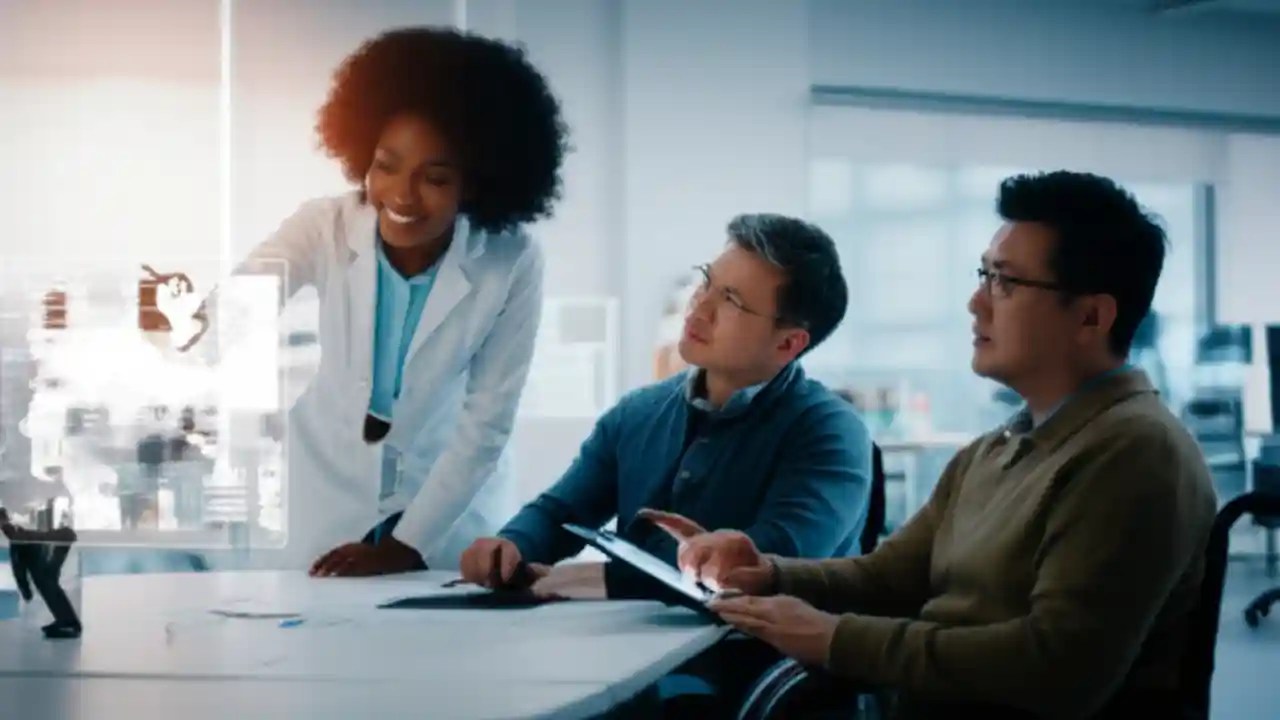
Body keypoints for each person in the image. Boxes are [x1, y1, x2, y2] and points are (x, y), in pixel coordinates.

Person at [653, 171, 1218, 718]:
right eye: (983, 276)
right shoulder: (996, 449)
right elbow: (890, 578)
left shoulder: (1137, 452)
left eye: (1006, 282)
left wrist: (835, 639)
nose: (977, 303)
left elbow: (1056, 670)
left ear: (1091, 316)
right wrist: (771, 573)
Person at [169, 27, 569, 575]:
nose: (402, 195)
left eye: (435, 177)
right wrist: (182, 328)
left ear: (476, 183)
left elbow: (487, 423)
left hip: (445, 506)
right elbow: (241, 303)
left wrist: (408, 545)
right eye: (386, 165)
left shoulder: (512, 260)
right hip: (325, 496)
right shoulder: (324, 227)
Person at [458, 213, 872, 604]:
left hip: (755, 664)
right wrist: (510, 546)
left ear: (788, 344)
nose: (699, 306)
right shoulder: (639, 412)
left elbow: (761, 566)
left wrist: (593, 580)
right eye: (707, 281)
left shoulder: (831, 432)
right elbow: (561, 511)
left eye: (730, 300)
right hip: (639, 650)